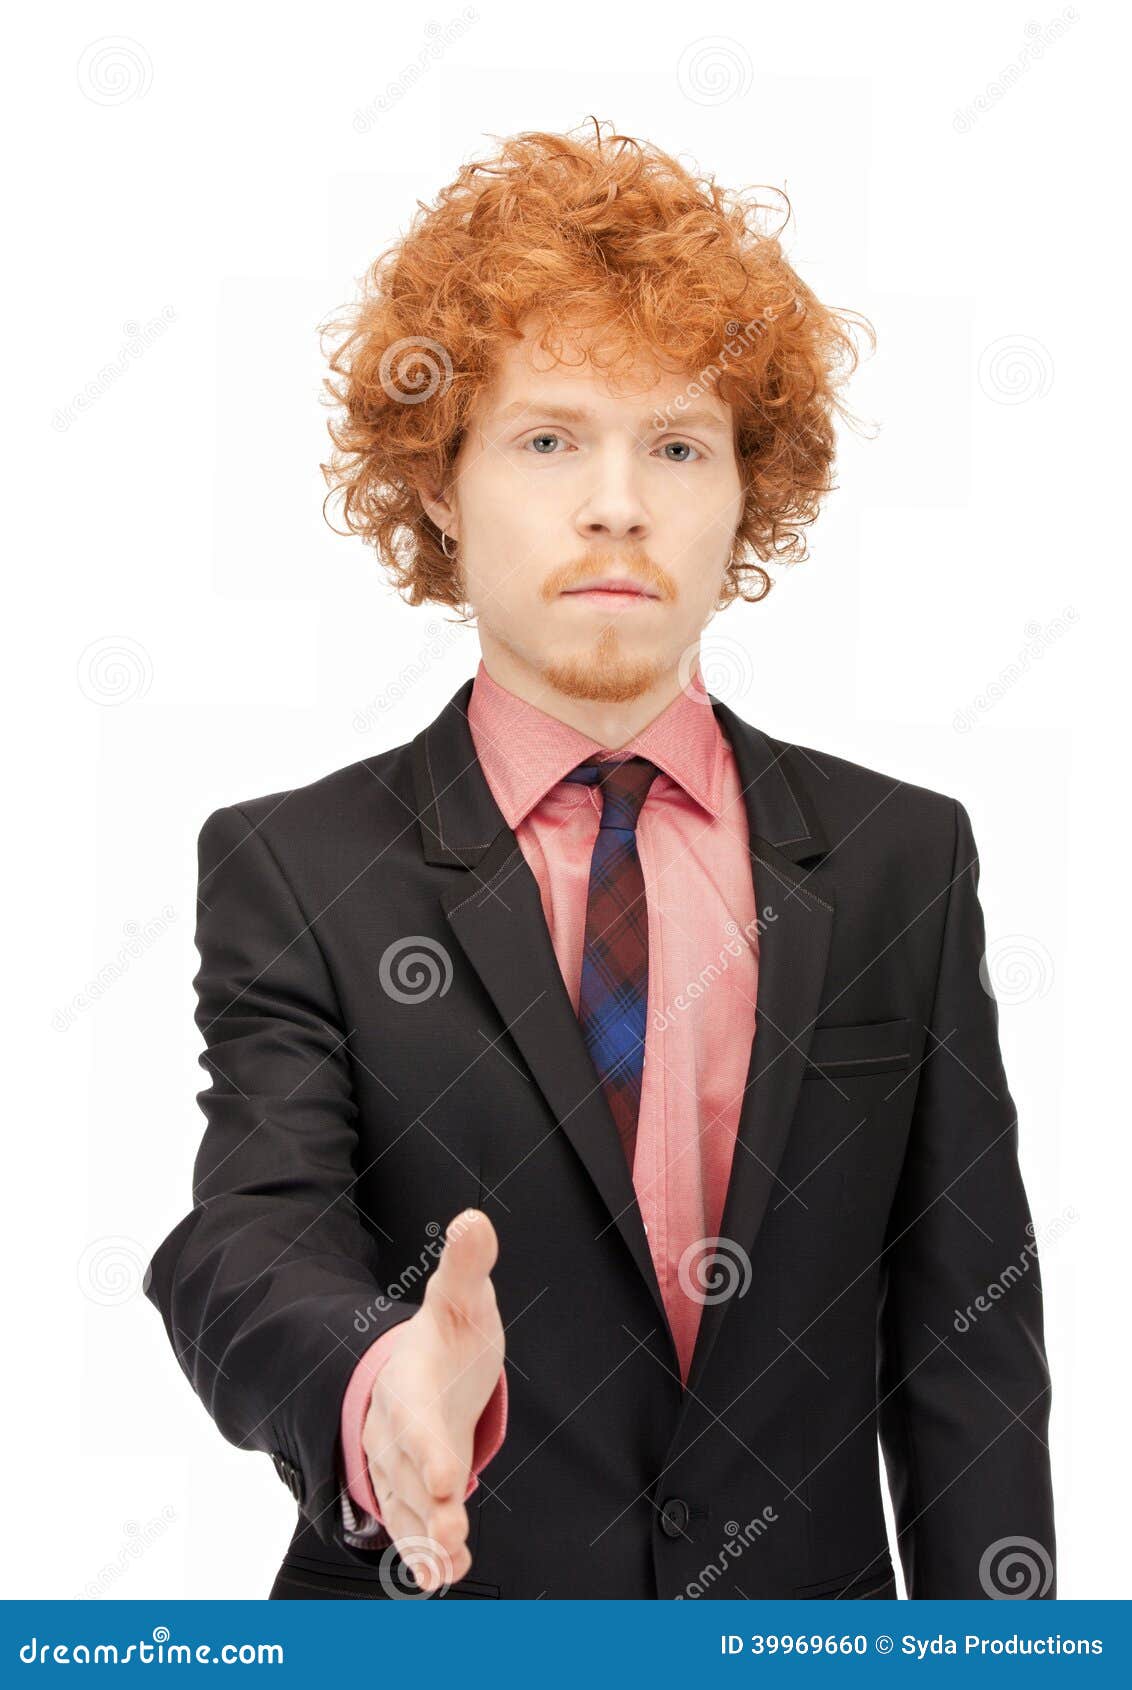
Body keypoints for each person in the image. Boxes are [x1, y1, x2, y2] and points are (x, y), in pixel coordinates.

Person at [144, 118, 1056, 1601]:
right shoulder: (298, 864)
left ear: (747, 491)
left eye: (679, 445)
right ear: (440, 486)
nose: (617, 501)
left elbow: (969, 1338)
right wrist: (375, 1388)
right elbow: (252, 1230)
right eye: (549, 436)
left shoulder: (903, 858)